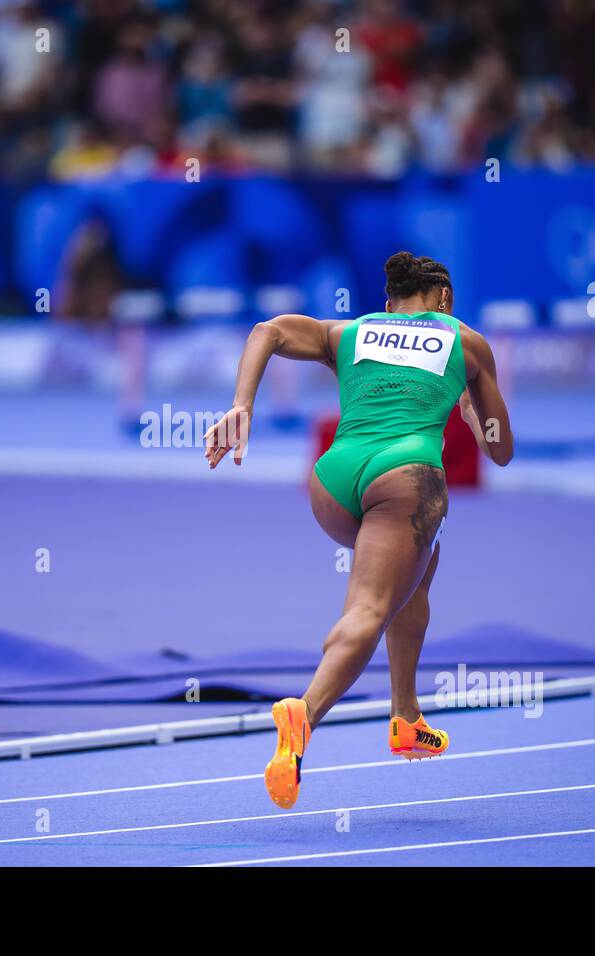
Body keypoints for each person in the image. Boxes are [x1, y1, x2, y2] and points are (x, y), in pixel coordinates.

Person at [204, 251, 513, 808]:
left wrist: (241, 405)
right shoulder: (466, 343)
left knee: (419, 568)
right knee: (369, 607)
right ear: (443, 299)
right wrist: (470, 413)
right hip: (406, 477)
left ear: (388, 302)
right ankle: (304, 716)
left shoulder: (349, 332)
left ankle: (406, 717)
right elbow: (502, 451)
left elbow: (266, 331)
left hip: (331, 483)